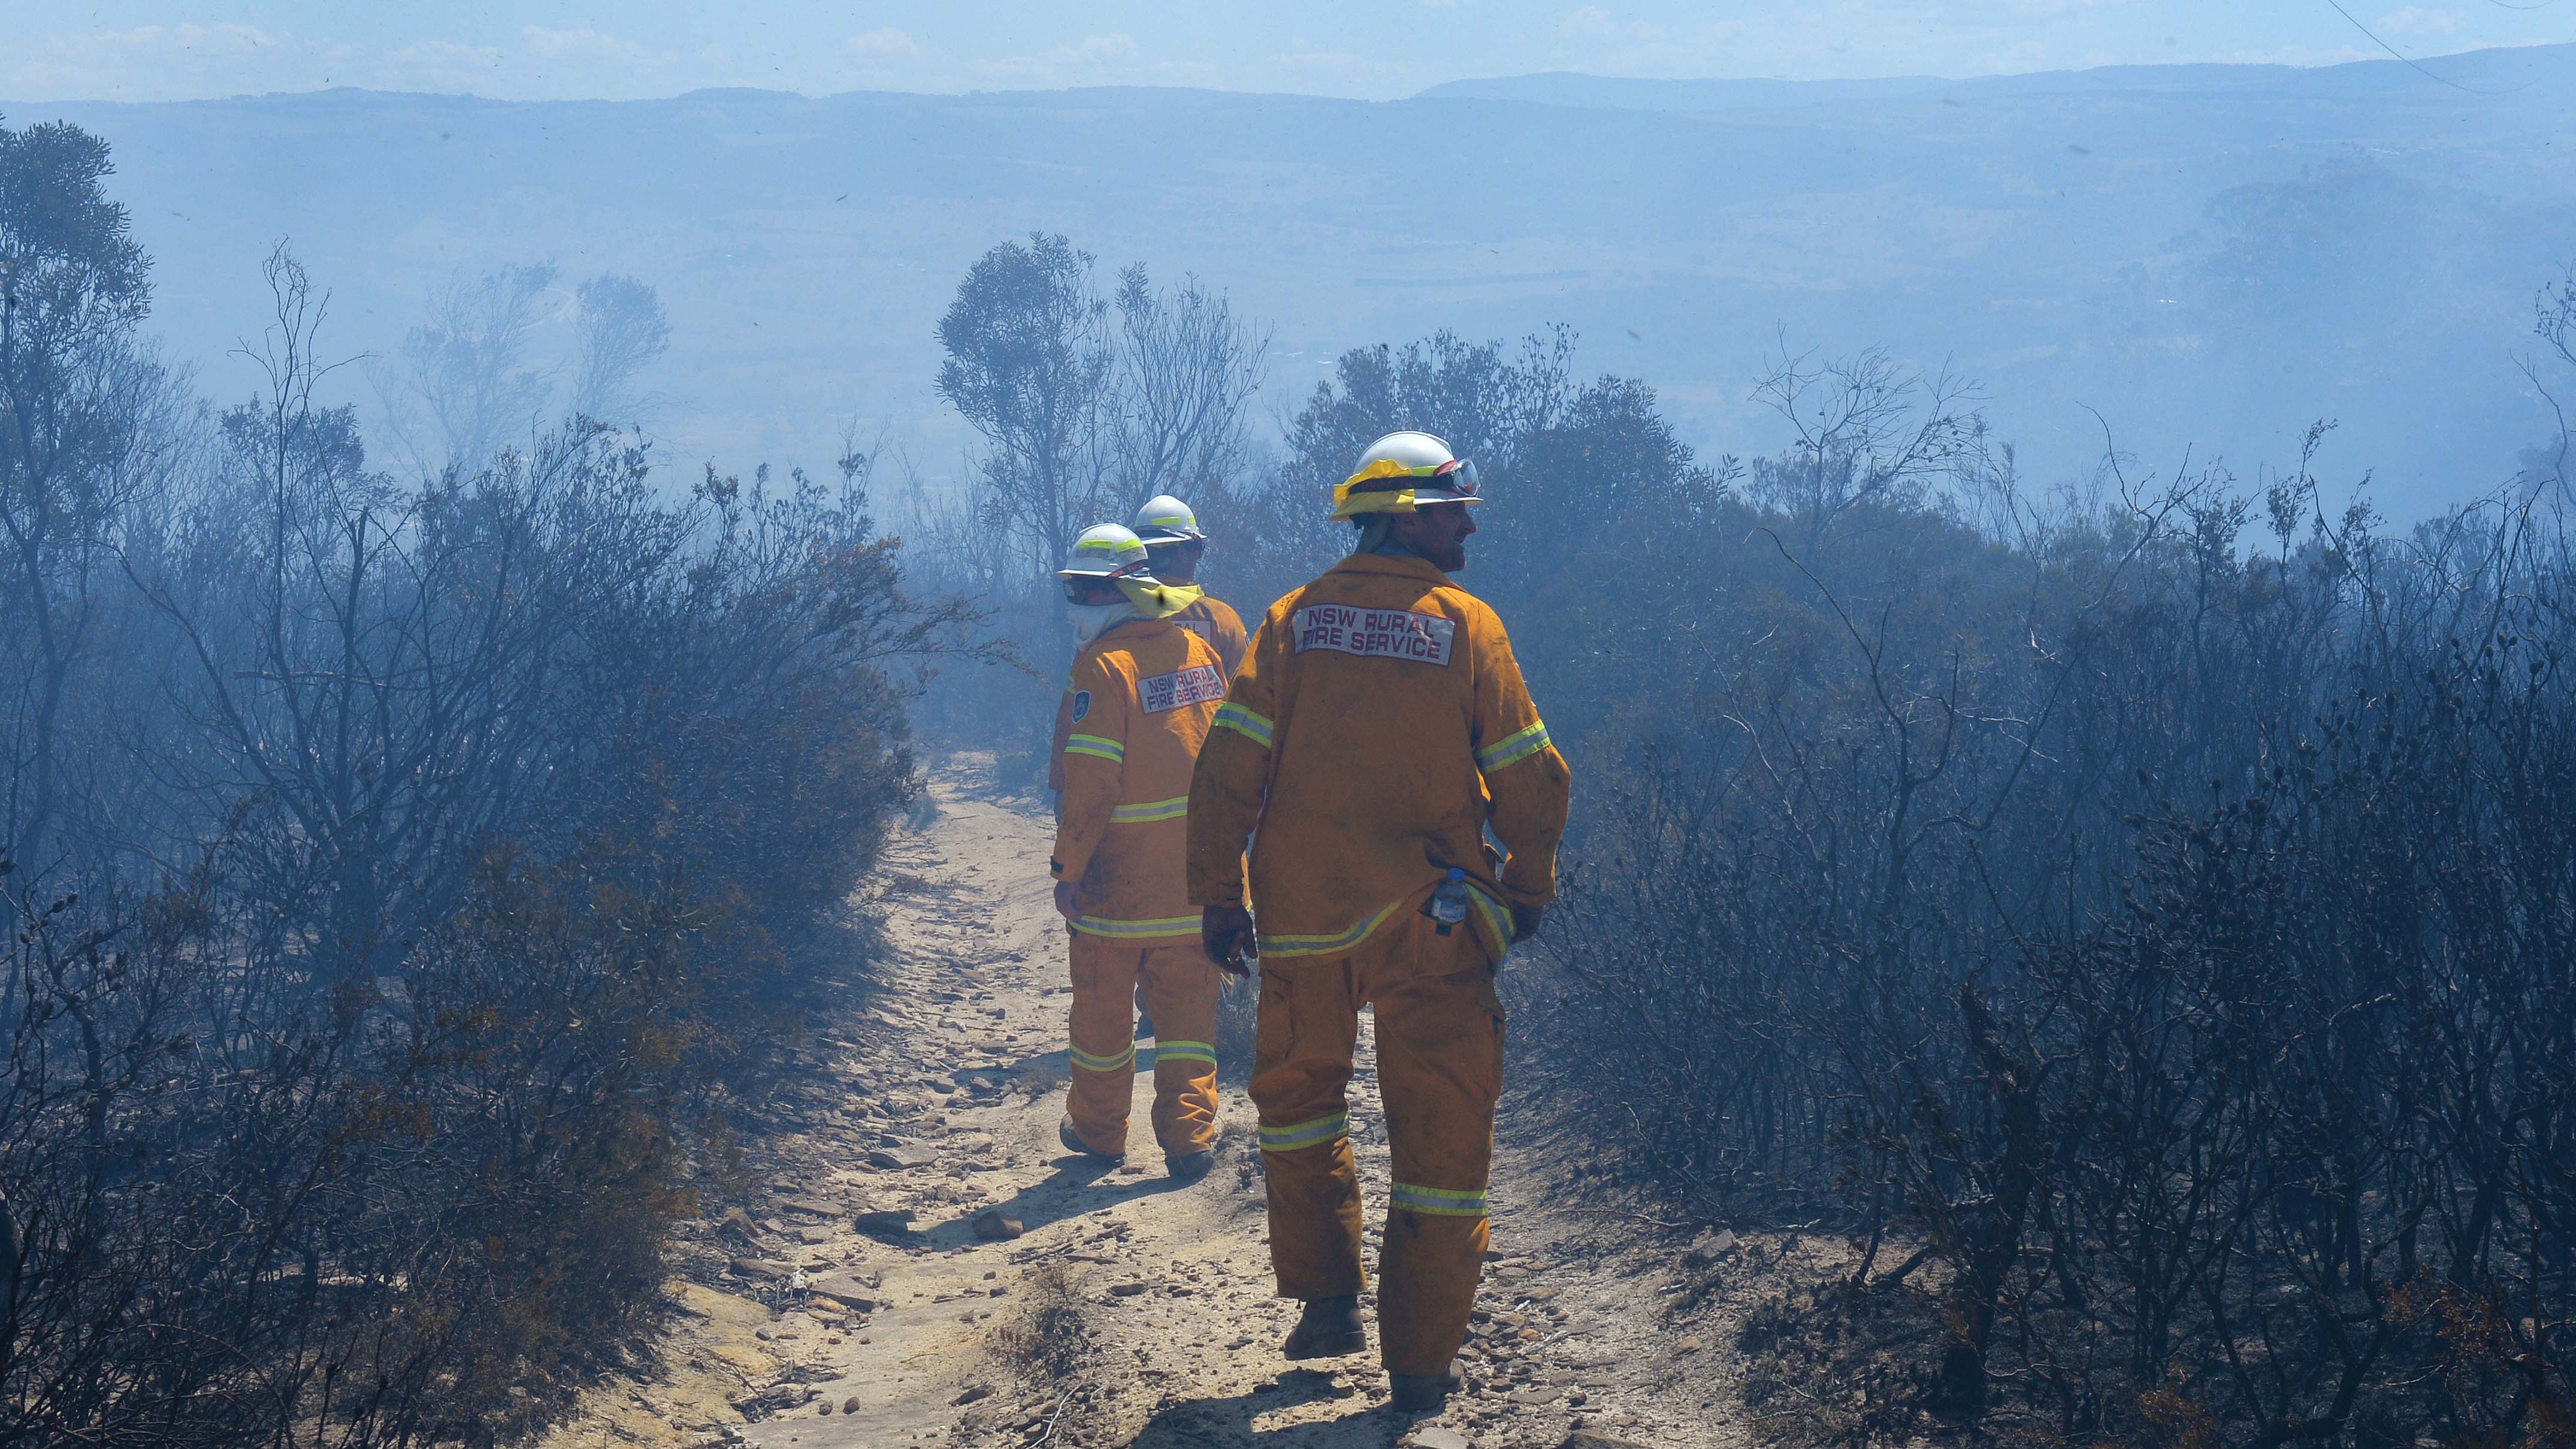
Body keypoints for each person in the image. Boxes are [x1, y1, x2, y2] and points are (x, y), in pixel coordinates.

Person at [1184, 432, 1571, 1411]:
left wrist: (1220, 896)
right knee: (1441, 1141)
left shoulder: (1291, 620)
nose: (1469, 524)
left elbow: (1228, 769)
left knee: (1299, 1103)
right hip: (1431, 926)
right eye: (1453, 508)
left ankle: (1325, 1299)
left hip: (1304, 918)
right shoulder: (1466, 625)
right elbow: (1531, 776)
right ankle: (1421, 1365)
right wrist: (1528, 890)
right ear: (1404, 512)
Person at [1050, 523, 1236, 1182]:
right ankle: (1190, 1140)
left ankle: (1100, 1137)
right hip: (1197, 885)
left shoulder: (1101, 668)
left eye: (1087, 587)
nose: (1078, 597)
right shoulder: (1195, 650)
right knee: (1188, 1021)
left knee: (1102, 1019)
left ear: (1123, 590)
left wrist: (1066, 869)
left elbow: (1092, 787)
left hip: (1116, 892)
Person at [1132, 494, 1250, 682]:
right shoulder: (1221, 619)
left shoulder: (1116, 614)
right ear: (1189, 551)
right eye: (1198, 548)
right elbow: (1246, 692)